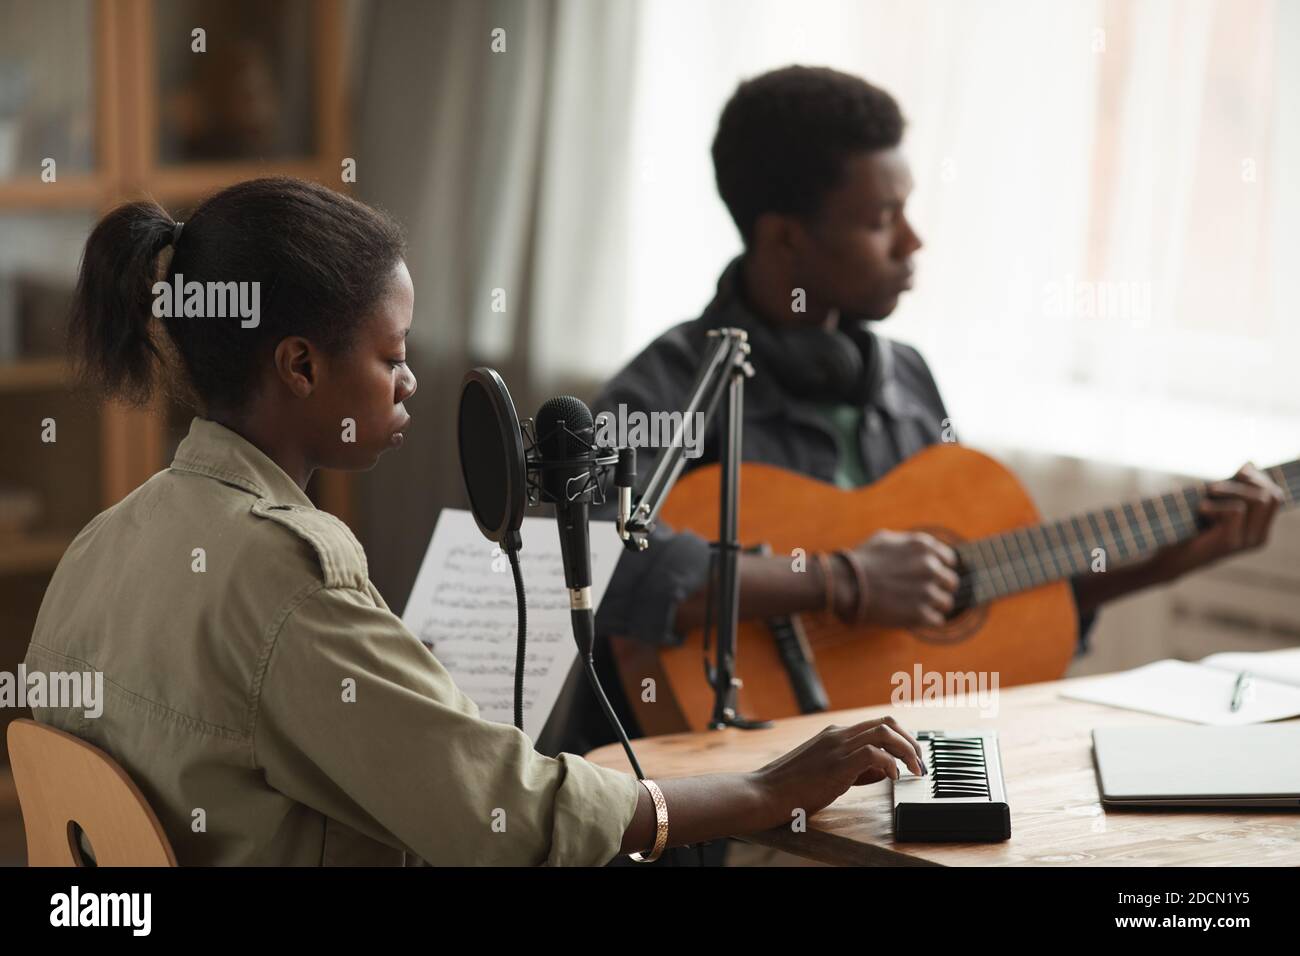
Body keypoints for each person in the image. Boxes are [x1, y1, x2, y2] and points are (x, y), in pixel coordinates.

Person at [23, 177, 927, 866]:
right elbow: (516, 821)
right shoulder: (287, 575)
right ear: (298, 365)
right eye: (391, 355)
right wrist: (769, 788)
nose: (410, 381)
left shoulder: (109, 537)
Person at [551, 65, 1285, 768]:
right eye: (881, 219)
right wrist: (839, 580)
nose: (913, 242)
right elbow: (599, 567)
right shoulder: (667, 387)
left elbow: (979, 597)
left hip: (879, 771)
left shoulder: (906, 378)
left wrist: (1177, 556)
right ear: (783, 236)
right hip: (706, 789)